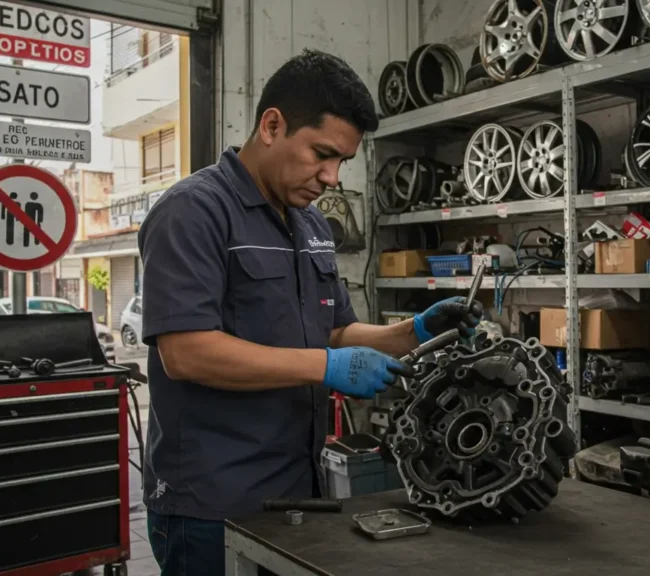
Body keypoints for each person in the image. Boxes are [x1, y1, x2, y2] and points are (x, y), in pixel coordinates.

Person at [137, 49, 483, 575]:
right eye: (322, 154)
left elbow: (338, 331)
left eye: (342, 161)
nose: (331, 176)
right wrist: (324, 366)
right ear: (272, 125)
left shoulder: (312, 226)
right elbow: (186, 353)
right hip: (210, 502)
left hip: (298, 491)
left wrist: (413, 331)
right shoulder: (193, 212)